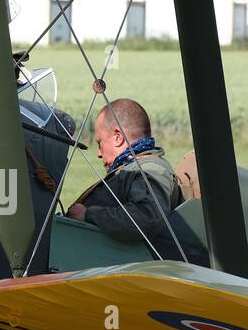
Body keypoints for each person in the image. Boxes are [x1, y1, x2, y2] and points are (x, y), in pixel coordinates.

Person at [67, 98, 184, 247]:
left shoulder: (149, 169)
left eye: (100, 143)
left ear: (117, 137)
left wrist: (88, 215)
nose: (98, 154)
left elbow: (148, 216)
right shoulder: (133, 167)